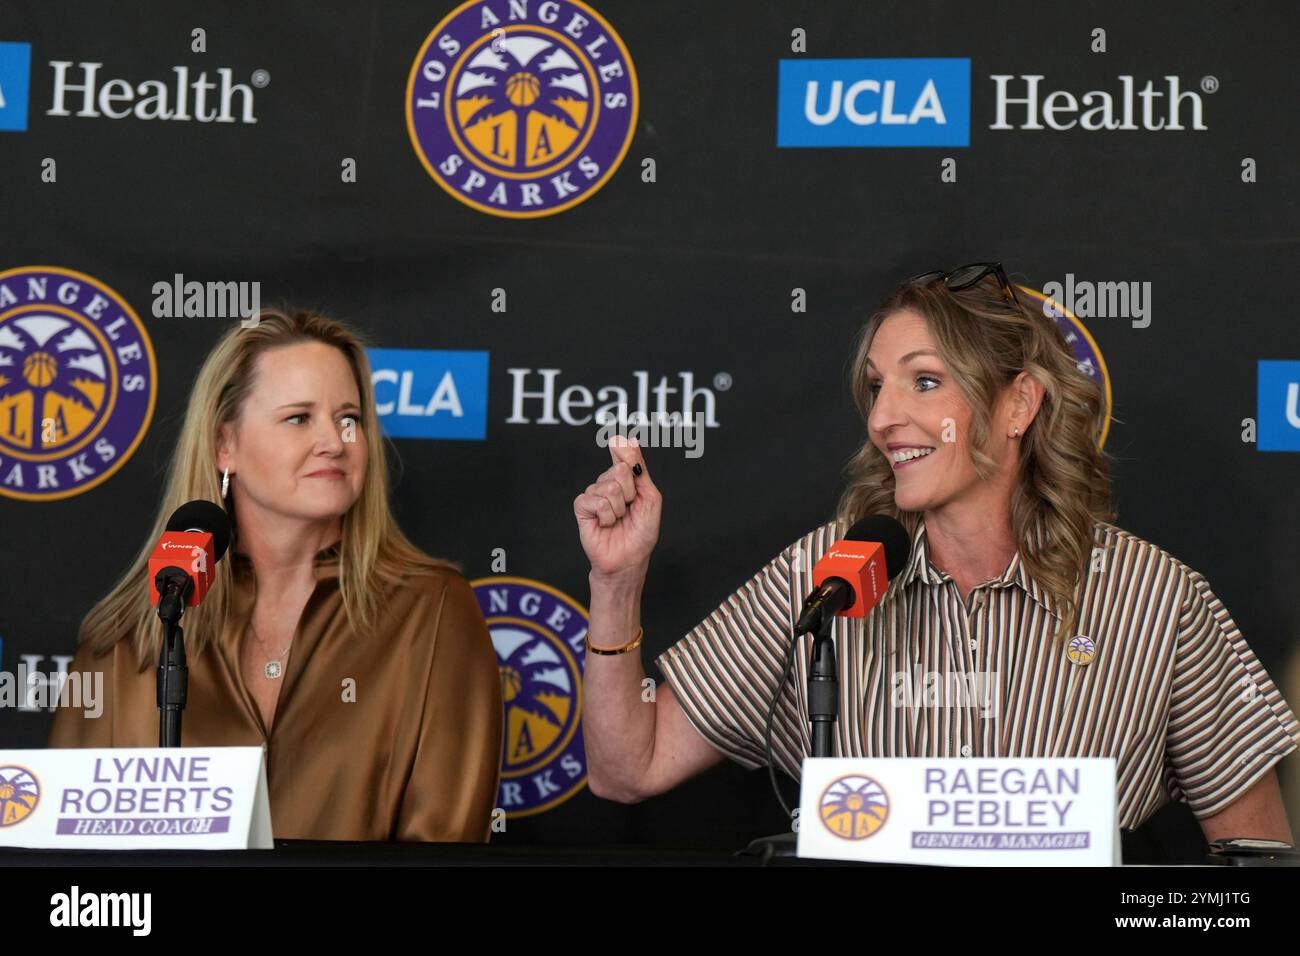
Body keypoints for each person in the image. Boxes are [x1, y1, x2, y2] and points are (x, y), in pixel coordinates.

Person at [574, 263, 1299, 846]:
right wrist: (617, 580)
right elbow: (625, 767)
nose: (886, 417)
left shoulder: (1156, 598)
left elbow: (1257, 860)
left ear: (1018, 405)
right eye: (877, 387)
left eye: (925, 381)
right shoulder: (824, 575)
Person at [49, 308, 503, 842]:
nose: (334, 441)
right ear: (225, 445)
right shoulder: (128, 635)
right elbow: (70, 858)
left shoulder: (432, 611)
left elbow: (445, 847)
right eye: (298, 418)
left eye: (348, 418)